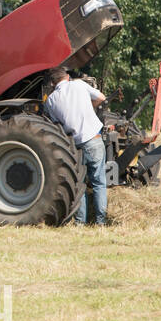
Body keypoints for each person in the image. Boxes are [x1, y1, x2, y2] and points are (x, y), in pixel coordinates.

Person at [43, 66, 108, 225]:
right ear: (67, 77)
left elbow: (56, 124)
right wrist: (88, 107)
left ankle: (80, 223)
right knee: (99, 182)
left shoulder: (50, 100)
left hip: (74, 147)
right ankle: (101, 222)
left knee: (80, 185)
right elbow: (101, 97)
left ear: (52, 83)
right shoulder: (79, 85)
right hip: (94, 139)